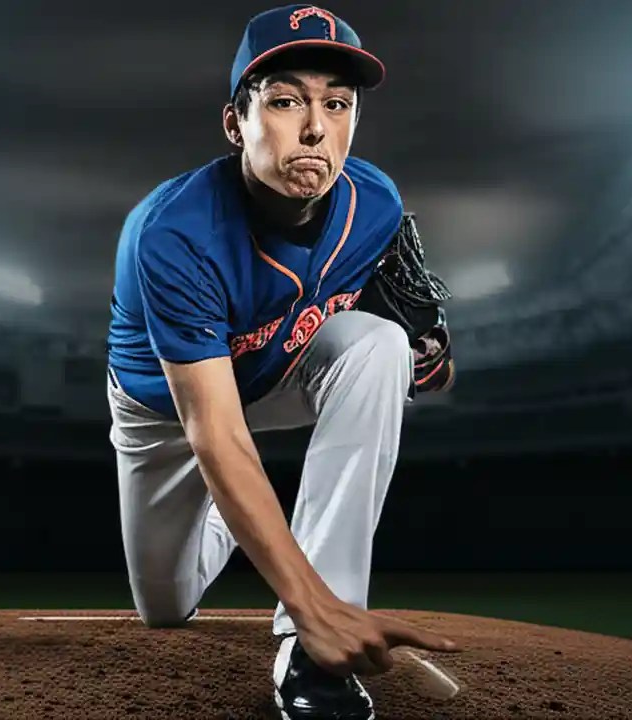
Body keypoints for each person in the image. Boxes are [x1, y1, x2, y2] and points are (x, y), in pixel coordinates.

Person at [104, 5, 458, 718]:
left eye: (338, 102)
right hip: (168, 411)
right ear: (236, 122)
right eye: (286, 99)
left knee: (376, 346)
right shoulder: (173, 232)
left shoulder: (375, 202)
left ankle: (311, 647)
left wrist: (426, 354)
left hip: (279, 372)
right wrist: (233, 473)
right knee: (165, 608)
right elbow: (214, 429)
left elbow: (403, 337)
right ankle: (237, 508)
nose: (315, 126)